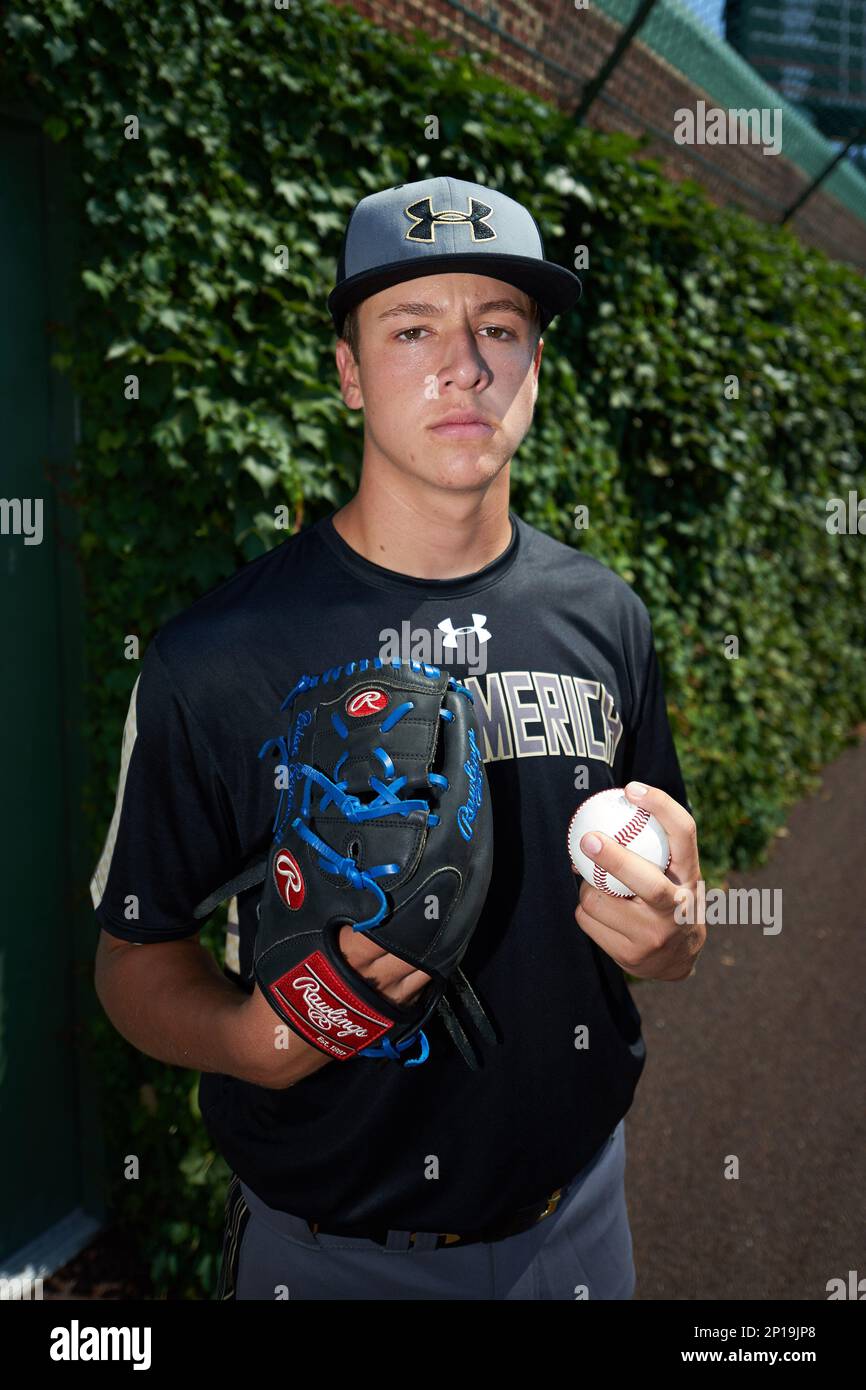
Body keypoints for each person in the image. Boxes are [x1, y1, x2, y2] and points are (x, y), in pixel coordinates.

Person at [91, 174, 705, 1301]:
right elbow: (133, 955)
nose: (462, 365)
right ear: (346, 372)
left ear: (532, 366)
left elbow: (657, 869)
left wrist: (673, 936)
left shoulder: (604, 615)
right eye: (411, 326)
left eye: (500, 328)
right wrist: (247, 1040)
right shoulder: (214, 657)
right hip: (328, 1254)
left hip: (577, 1223)